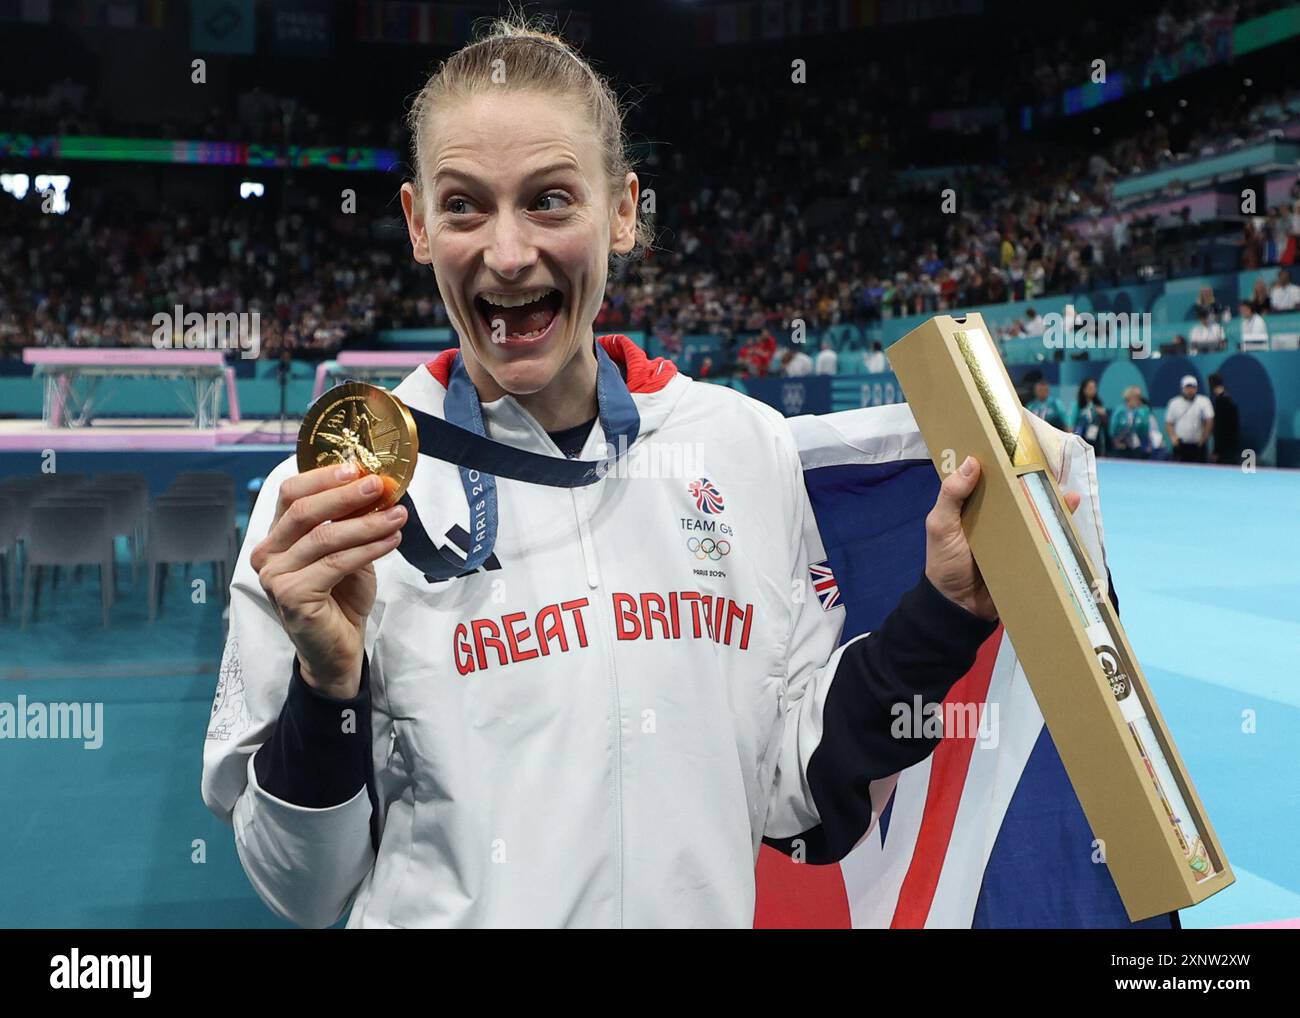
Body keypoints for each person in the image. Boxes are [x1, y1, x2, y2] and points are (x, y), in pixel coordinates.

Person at [200, 18, 1085, 930]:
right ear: (419, 224)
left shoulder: (742, 449)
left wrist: (941, 619)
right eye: (465, 206)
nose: (508, 254)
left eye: (550, 200)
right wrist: (326, 684)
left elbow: (798, 793)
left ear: (623, 211)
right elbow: (301, 891)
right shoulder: (325, 507)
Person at [1165, 375, 1214, 463]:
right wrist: (1173, 438)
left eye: (1193, 387)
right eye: (1188, 387)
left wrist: (1204, 438)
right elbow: (1169, 423)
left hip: (1198, 446)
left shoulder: (1204, 402)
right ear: (1182, 388)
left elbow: (1209, 421)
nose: (1190, 390)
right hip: (1180, 446)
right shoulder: (1174, 403)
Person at [1109, 385, 1160, 459]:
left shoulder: (1144, 410)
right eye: (1136, 397)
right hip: (1121, 447)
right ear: (1128, 397)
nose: (1138, 400)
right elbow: (1112, 429)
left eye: (1139, 397)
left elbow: (1149, 428)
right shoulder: (1119, 411)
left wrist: (1149, 444)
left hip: (1139, 448)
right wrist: (1117, 442)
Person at [1207, 372, 1241, 466]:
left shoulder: (1221, 402)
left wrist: (1216, 451)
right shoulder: (1229, 399)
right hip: (1232, 447)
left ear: (1211, 385)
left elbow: (1220, 429)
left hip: (1225, 451)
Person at [1072, 377, 1108, 458]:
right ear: (1084, 389)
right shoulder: (1077, 405)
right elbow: (1071, 423)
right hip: (1081, 440)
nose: (1093, 390)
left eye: (1094, 388)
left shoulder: (1099, 404)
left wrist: (1103, 415)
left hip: (1096, 439)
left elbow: (1105, 423)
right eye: (1090, 388)